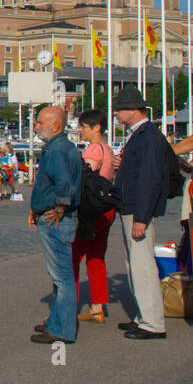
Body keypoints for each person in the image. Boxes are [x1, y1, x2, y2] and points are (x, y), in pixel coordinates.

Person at [111, 87, 172, 340]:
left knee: (142, 264)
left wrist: (141, 217)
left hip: (137, 209)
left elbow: (149, 180)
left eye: (120, 109)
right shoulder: (143, 135)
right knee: (134, 263)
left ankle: (152, 322)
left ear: (133, 110)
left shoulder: (147, 137)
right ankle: (142, 315)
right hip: (133, 206)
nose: (116, 113)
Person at [27, 105, 82, 345]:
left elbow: (64, 183)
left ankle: (62, 329)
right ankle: (56, 322)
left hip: (56, 218)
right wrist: (34, 208)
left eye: (40, 122)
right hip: (50, 214)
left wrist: (59, 208)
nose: (36, 127)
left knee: (62, 276)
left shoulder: (57, 150)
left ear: (55, 126)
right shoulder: (63, 147)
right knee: (59, 275)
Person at [74, 109, 116, 324]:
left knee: (74, 256)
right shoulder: (108, 149)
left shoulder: (94, 149)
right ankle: (98, 306)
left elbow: (84, 176)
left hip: (90, 210)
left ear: (96, 128)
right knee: (97, 257)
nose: (80, 130)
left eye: (83, 127)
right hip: (106, 208)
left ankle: (68, 306)